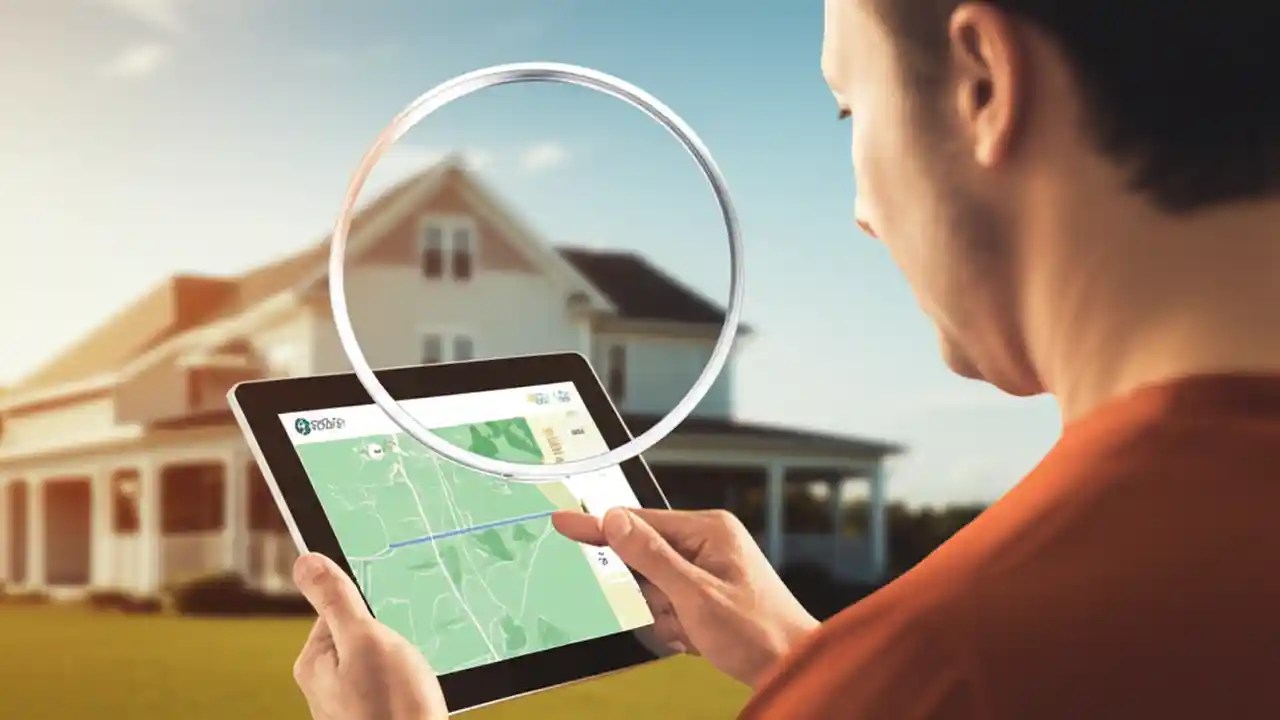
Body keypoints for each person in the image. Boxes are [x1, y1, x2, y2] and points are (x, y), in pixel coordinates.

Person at [289, 0, 1280, 717]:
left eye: (850, 112)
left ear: (981, 83)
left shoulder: (947, 664)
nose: (861, 212)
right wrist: (804, 660)